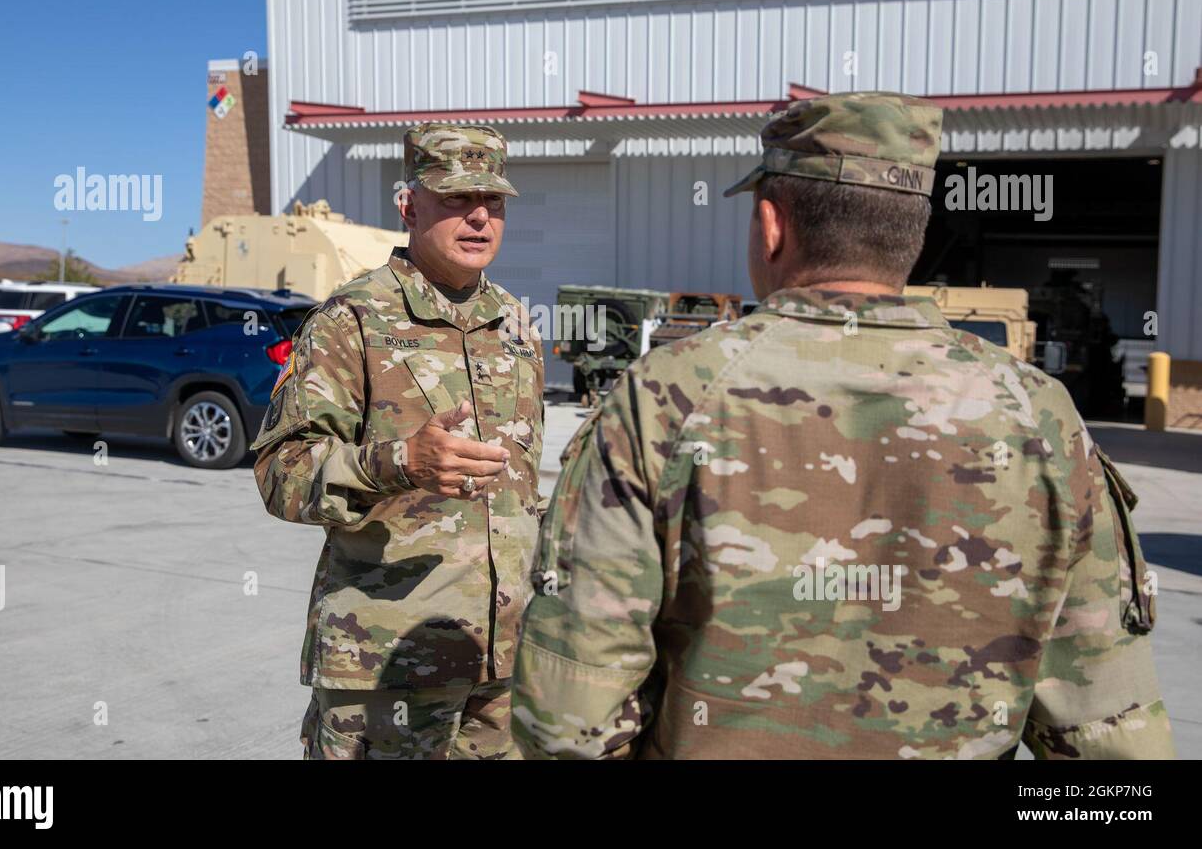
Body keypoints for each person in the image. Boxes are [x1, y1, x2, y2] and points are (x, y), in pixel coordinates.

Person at [511, 91, 1173, 760]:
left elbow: (569, 721)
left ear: (772, 225)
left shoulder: (667, 396)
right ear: (911, 236)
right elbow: (1108, 733)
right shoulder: (1039, 413)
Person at [253, 122, 544, 759]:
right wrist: (400, 462)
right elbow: (282, 474)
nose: (477, 218)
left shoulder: (516, 325)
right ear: (408, 206)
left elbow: (521, 491)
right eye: (455, 199)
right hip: (386, 663)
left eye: (491, 202)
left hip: (504, 663)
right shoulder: (350, 321)